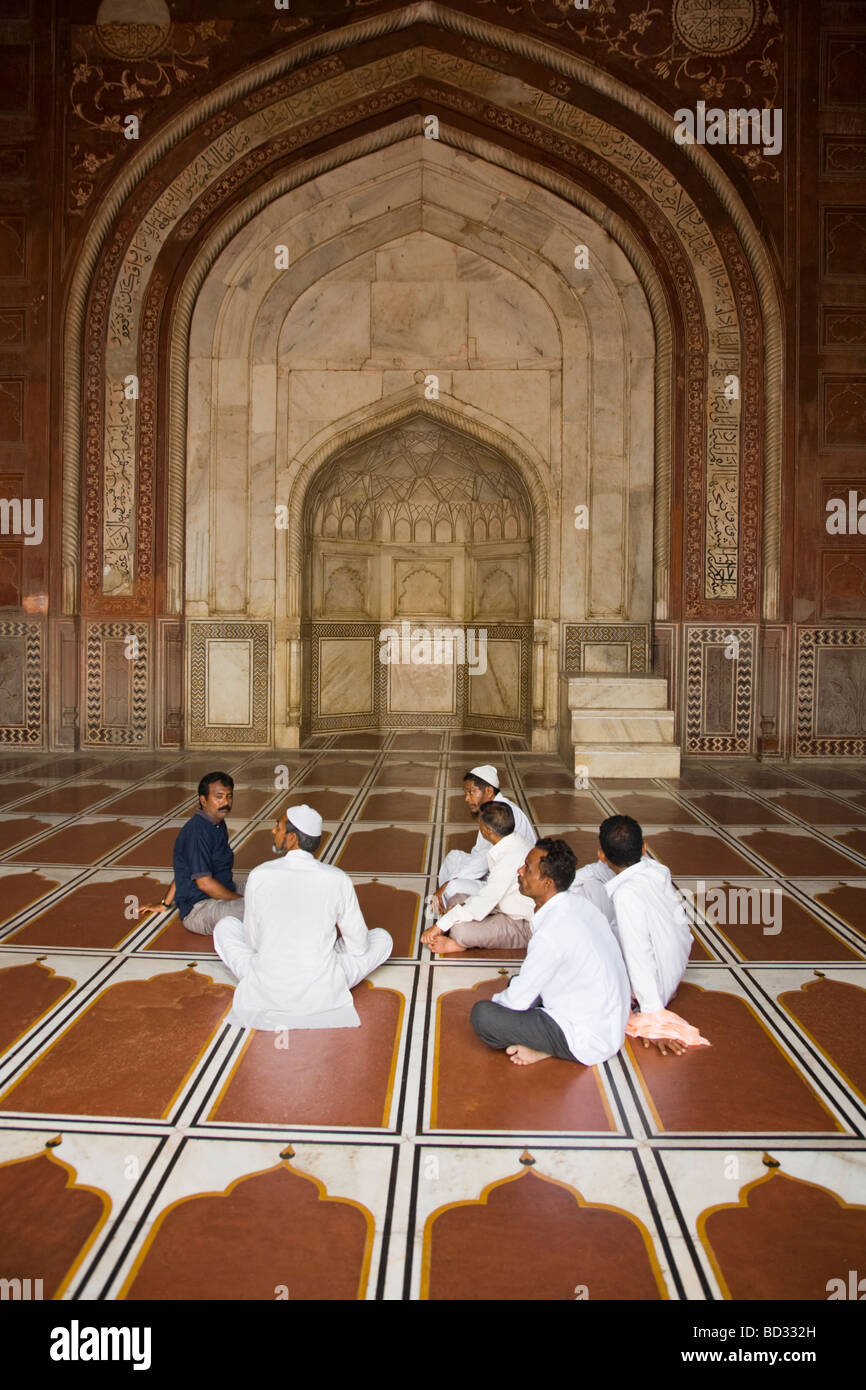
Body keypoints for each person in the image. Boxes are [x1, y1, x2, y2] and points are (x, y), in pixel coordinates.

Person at [213, 804, 393, 1030]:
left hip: (266, 986)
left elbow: (254, 943)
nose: (272, 831)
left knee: (226, 927)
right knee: (382, 938)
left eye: (277, 827)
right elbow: (358, 947)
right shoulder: (337, 878)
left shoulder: (260, 874)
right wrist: (331, 950)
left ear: (291, 839)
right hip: (323, 989)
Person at [469, 837, 630, 1067]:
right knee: (518, 982)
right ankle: (542, 1039)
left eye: (528, 868)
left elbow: (516, 1002)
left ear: (547, 884)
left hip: (585, 1036)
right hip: (610, 1017)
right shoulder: (580, 905)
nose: (520, 871)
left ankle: (547, 1047)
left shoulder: (551, 934)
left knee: (484, 1015)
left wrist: (499, 1008)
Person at [600, 814, 694, 1055]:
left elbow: (638, 953)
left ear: (602, 855)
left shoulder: (626, 895)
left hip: (656, 987)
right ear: (644, 847)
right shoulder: (657, 870)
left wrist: (654, 1016)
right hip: (675, 968)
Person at [138, 772, 245, 935]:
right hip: (201, 909)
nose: (226, 802)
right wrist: (241, 900)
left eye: (229, 796)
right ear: (203, 800)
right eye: (219, 796)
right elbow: (204, 883)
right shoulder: (197, 832)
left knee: (265, 882)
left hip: (224, 890)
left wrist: (165, 903)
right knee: (254, 909)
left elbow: (185, 869)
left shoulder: (217, 823)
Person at [421, 801, 534, 953]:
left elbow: (486, 898)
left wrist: (438, 926)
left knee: (460, 930)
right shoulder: (512, 842)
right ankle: (459, 931)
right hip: (500, 906)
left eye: (479, 823)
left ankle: (458, 944)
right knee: (456, 899)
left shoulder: (511, 856)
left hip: (520, 923)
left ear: (487, 831)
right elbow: (490, 894)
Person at [433, 764, 534, 912]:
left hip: (510, 884)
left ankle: (452, 908)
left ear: (488, 791)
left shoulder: (503, 814)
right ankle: (448, 904)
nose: (467, 798)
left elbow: (483, 859)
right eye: (465, 793)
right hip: (490, 869)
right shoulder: (491, 811)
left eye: (471, 792)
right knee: (453, 858)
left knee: (453, 886)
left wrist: (450, 882)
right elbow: (479, 853)